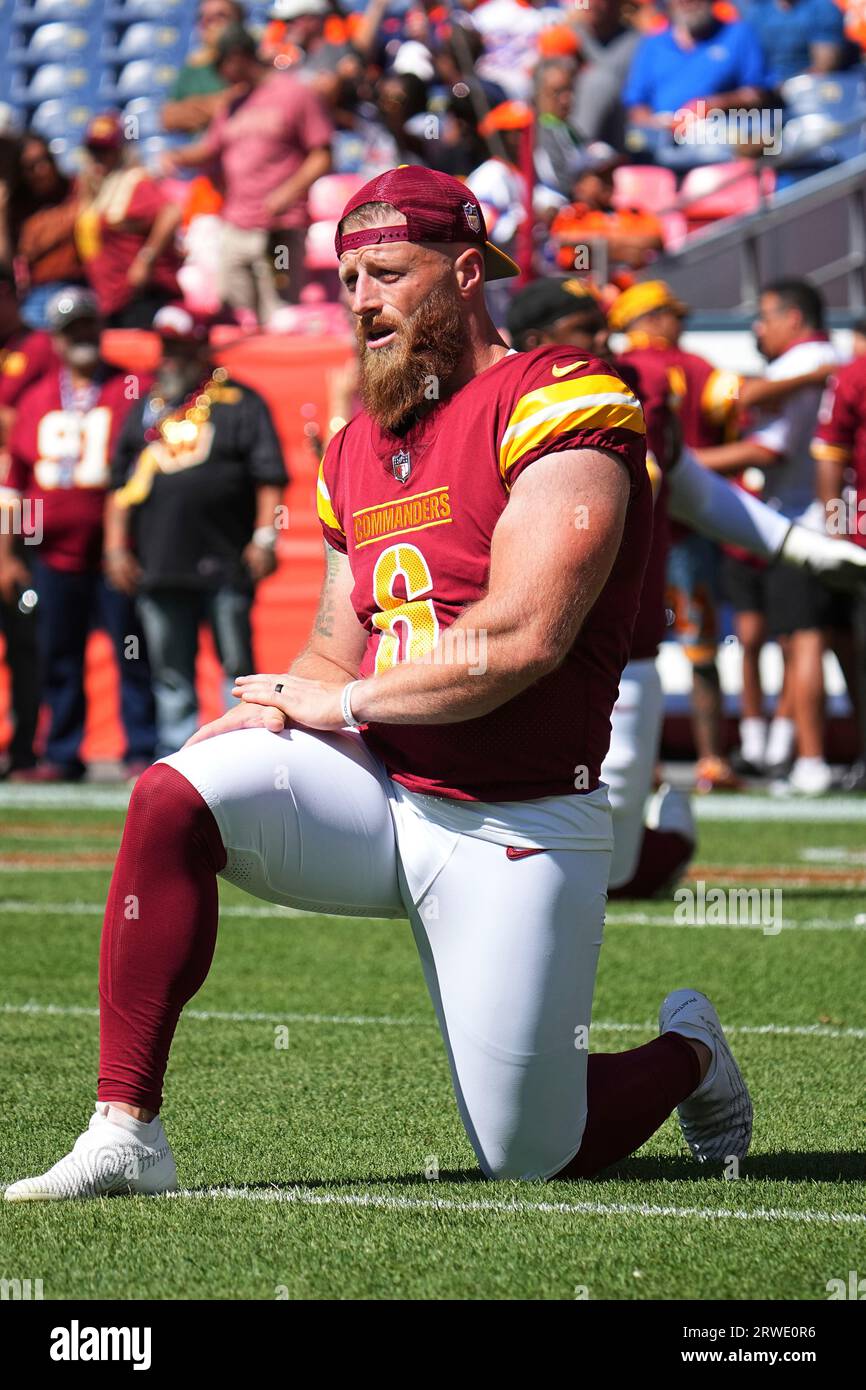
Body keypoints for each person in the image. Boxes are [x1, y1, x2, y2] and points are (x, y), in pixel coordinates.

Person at [5, 166, 756, 1200]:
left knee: (534, 1152)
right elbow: (331, 645)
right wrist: (276, 702)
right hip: (383, 785)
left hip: (515, 814)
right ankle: (125, 1127)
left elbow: (524, 636)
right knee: (174, 790)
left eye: (386, 272)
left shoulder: (562, 396)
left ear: (463, 271)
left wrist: (344, 701)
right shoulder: (359, 443)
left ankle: (690, 1054)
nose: (360, 296)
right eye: (347, 274)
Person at [506, 274, 866, 895]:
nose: (603, 340)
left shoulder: (635, 394)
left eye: (602, 327)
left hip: (625, 648)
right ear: (536, 341)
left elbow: (692, 489)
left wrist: (800, 547)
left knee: (602, 849)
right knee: (526, 837)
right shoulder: (501, 403)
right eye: (583, 331)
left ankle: (646, 858)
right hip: (524, 651)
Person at [105, 305, 288, 757]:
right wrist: (114, 548)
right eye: (164, 348)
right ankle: (176, 758)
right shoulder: (146, 409)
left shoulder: (241, 401)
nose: (168, 358)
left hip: (225, 559)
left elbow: (269, 476)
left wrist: (265, 537)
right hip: (159, 561)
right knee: (169, 670)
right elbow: (118, 483)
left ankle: (241, 755)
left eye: (178, 348)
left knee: (236, 666)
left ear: (200, 349)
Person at [0, 288, 156, 782]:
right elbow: (15, 484)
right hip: (52, 554)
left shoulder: (130, 387)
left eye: (89, 326)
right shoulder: (36, 395)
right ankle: (62, 752)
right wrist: (9, 553)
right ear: (57, 341)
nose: (83, 337)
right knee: (57, 655)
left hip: (117, 551)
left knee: (132, 650)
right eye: (72, 330)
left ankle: (142, 750)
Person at [697, 280, 844, 794]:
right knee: (829, 643)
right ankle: (787, 747)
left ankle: (807, 759)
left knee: (800, 640)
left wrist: (683, 467)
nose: (758, 328)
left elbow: (767, 447)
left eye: (765, 317)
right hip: (835, 519)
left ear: (794, 319)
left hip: (801, 523)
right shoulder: (828, 361)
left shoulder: (807, 363)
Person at [609, 279, 742, 792]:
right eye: (669, 314)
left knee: (629, 649)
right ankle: (713, 760)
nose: (678, 324)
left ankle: (646, 761)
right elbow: (731, 402)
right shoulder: (689, 366)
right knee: (700, 648)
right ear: (646, 318)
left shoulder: (612, 369)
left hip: (631, 532)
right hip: (682, 531)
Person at [163, 24, 332, 322]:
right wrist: (177, 156)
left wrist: (288, 192)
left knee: (280, 317)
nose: (219, 73)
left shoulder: (294, 92)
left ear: (239, 56)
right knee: (233, 319)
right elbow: (209, 149)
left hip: (280, 227)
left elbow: (322, 155)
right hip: (236, 226)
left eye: (221, 64)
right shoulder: (231, 105)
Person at [0, 263, 56, 776]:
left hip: (17, 514)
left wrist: (9, 552)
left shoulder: (35, 350)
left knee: (26, 646)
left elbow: (18, 441)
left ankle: (24, 747)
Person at [75, 115, 182, 330]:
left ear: (120, 151)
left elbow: (171, 214)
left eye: (105, 151)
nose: (98, 158)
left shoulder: (134, 181)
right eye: (94, 151)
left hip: (141, 297)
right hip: (110, 300)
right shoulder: (95, 189)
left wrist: (146, 258)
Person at [624, 0, 768, 130]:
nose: (688, 2)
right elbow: (636, 105)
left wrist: (713, 105)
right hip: (662, 146)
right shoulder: (653, 44)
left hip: (723, 137)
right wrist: (659, 125)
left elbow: (759, 94)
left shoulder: (738, 34)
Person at [9, 134, 85, 331]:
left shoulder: (75, 188)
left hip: (79, 284)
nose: (42, 170)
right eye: (31, 166)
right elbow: (16, 255)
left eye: (45, 160)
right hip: (40, 292)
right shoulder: (18, 208)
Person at [161, 0, 247, 136]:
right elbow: (168, 117)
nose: (209, 24)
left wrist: (193, 107)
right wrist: (218, 104)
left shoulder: (250, 62)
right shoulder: (193, 69)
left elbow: (248, 101)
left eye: (220, 16)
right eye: (203, 18)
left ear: (239, 22)